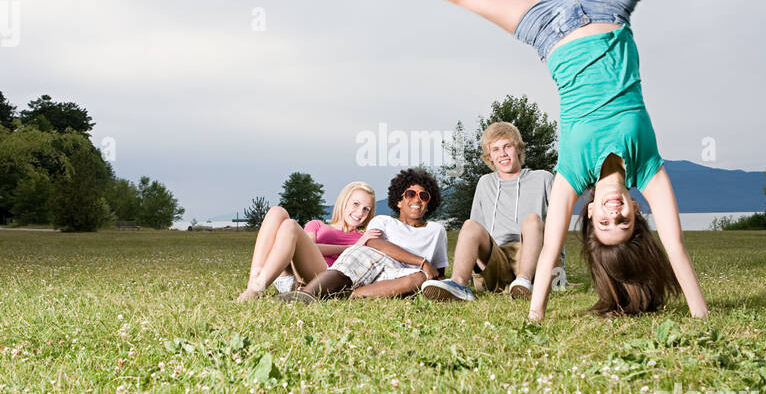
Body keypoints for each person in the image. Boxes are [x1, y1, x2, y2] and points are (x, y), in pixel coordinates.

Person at [300, 0, 742, 320]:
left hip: (550, 30)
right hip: (608, 8)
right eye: (623, 220)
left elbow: (548, 248)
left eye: (605, 222)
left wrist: (534, 317)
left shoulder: (572, 176)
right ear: (638, 215)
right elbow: (678, 252)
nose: (614, 211)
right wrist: (701, 317)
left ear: (591, 215)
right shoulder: (649, 169)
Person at [420, 120, 553, 302]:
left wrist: (559, 270)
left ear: (519, 149)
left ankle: (524, 281)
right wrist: (479, 270)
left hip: (531, 256)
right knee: (470, 225)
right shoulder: (485, 183)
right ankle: (459, 285)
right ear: (489, 156)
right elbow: (476, 233)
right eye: (495, 149)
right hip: (497, 259)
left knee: (532, 220)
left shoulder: (543, 178)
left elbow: (557, 225)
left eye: (508, 146)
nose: (502, 154)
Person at [280, 168, 448, 302]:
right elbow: (374, 243)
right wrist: (421, 261)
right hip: (375, 261)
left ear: (428, 204)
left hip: (402, 274)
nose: (417, 200)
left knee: (420, 278)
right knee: (355, 259)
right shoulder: (384, 221)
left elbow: (437, 271)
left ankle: (347, 296)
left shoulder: (436, 230)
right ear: (399, 200)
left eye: (423, 196)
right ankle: (305, 295)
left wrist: (435, 277)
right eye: (411, 194)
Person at [236, 181, 380, 301]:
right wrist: (352, 247)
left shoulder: (364, 236)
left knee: (290, 225)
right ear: (344, 202)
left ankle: (255, 289)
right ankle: (253, 285)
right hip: (290, 273)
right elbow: (311, 247)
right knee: (277, 211)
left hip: (322, 279)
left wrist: (360, 244)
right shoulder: (317, 225)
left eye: (366, 209)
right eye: (355, 204)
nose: (360, 212)